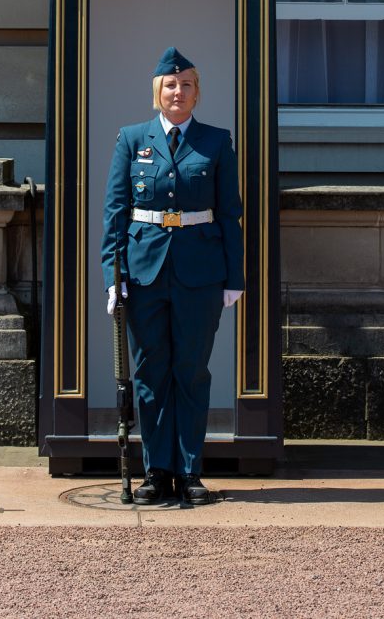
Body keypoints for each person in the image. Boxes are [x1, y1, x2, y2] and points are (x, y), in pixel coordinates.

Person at [101, 46, 244, 505]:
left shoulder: (217, 141)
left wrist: (234, 277)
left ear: (197, 93)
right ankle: (156, 471)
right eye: (169, 85)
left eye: (185, 85)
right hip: (144, 271)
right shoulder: (132, 138)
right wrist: (113, 274)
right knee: (150, 372)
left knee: (191, 371)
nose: (177, 92)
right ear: (157, 93)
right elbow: (116, 212)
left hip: (200, 273)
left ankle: (189, 470)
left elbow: (229, 214)